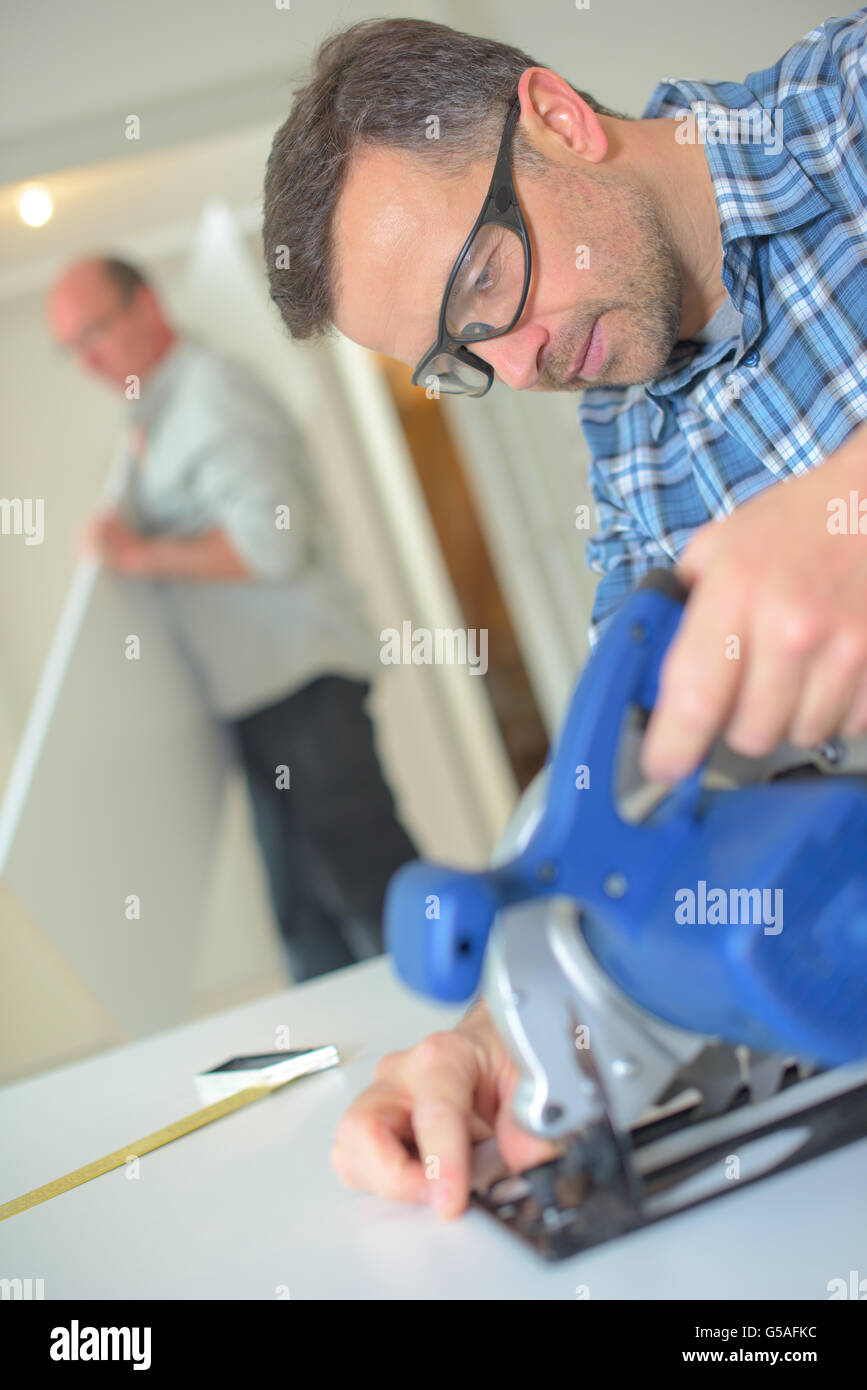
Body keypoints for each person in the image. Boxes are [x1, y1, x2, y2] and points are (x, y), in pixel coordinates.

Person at [261, 14, 867, 1216]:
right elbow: (626, 786)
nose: (524, 366)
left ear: (559, 120)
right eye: (464, 354)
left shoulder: (850, 110)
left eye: (485, 281)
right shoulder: (636, 459)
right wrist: (515, 1027)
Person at [46, 256, 418, 984]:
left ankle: (464, 1043)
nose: (88, 359)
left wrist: (136, 552)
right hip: (264, 697)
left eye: (95, 332)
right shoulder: (156, 415)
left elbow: (269, 544)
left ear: (147, 304)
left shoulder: (210, 393)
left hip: (301, 686)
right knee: (305, 918)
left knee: (366, 886)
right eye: (72, 348)